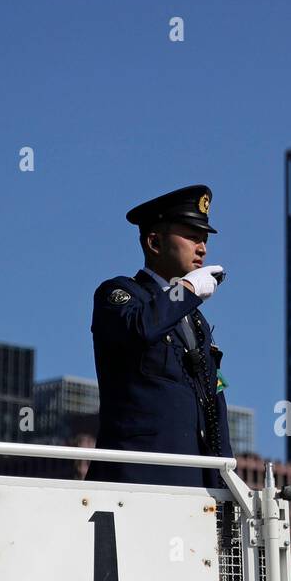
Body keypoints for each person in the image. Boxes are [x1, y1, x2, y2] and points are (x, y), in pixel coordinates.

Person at [87, 184, 232, 488]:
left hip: (195, 485)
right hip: (136, 480)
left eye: (204, 239)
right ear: (155, 242)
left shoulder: (195, 320)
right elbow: (141, 329)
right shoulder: (119, 294)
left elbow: (213, 407)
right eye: (192, 237)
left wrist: (225, 482)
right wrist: (188, 290)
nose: (202, 248)